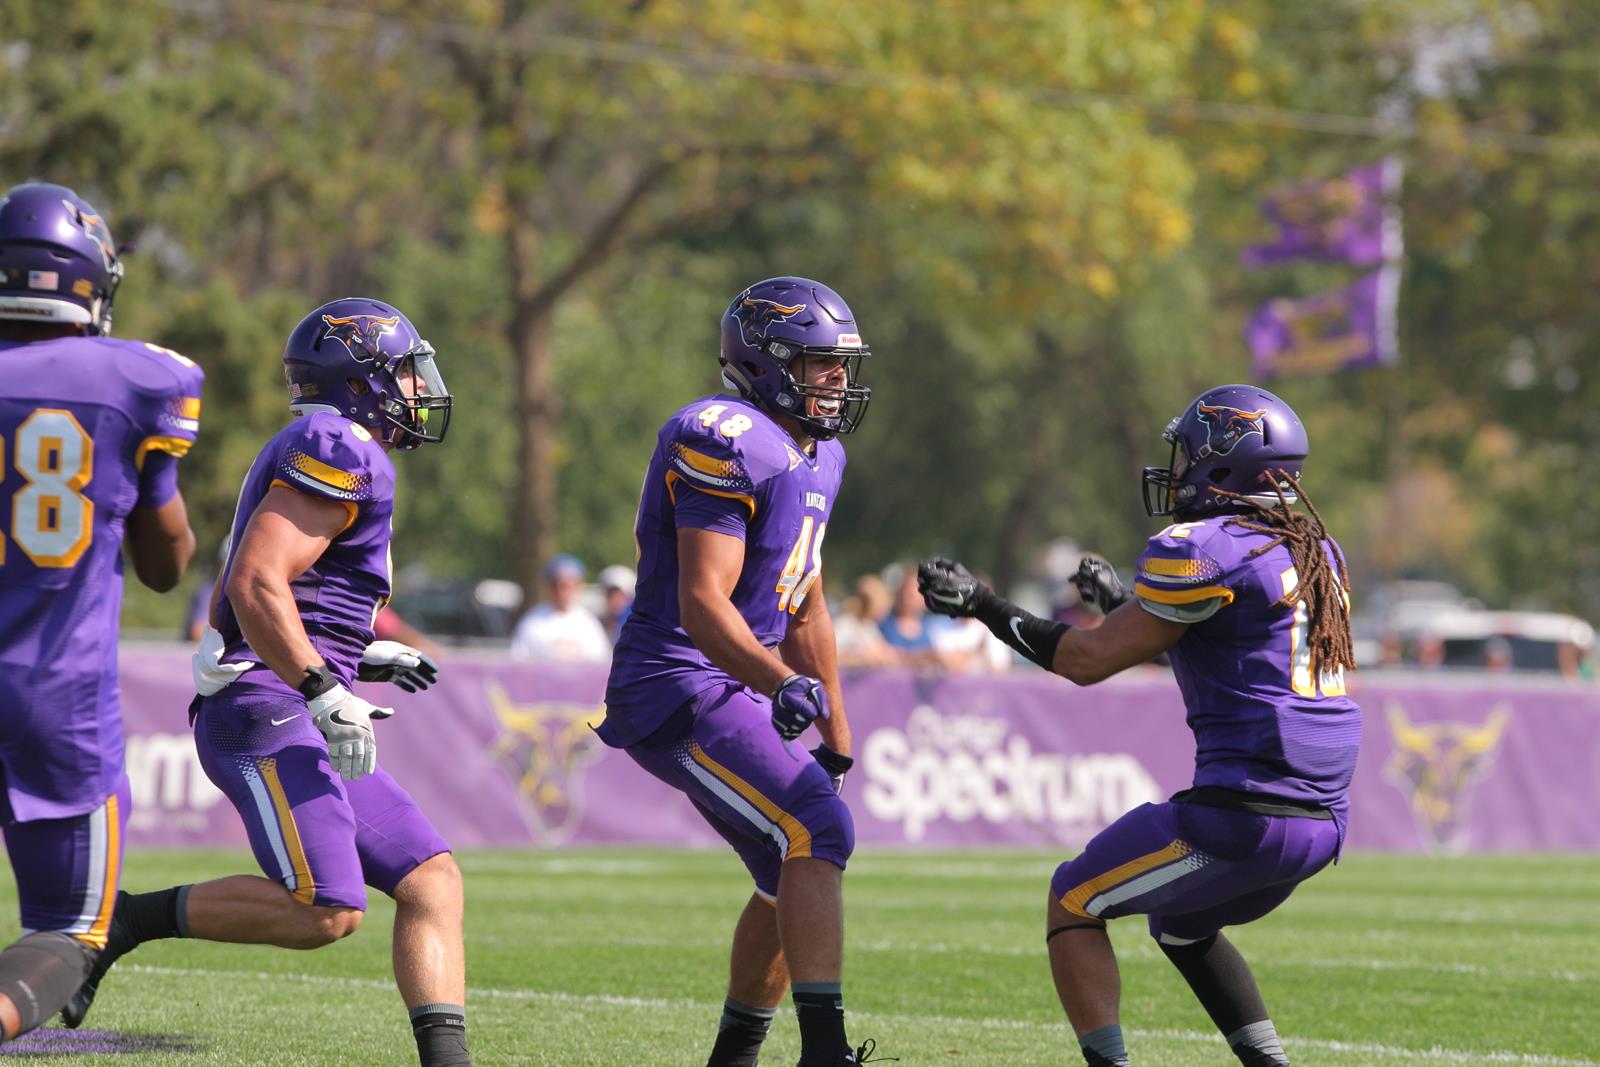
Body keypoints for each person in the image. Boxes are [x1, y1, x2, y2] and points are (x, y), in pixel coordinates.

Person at [62, 298, 471, 1067]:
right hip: (268, 706)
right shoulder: (338, 442)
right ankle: (121, 921)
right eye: (407, 375)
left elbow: (284, 587)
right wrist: (322, 684)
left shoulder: (336, 444)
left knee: (431, 878)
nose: (421, 392)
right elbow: (256, 579)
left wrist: (356, 656)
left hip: (285, 692)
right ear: (363, 380)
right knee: (327, 909)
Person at [919, 384, 1360, 1067]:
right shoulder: (1315, 552)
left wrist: (982, 602)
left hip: (1243, 812)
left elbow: (1088, 659)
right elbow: (1225, 641)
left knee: (1073, 897)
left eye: (1187, 454)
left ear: (1223, 462)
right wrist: (1127, 603)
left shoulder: (1204, 544)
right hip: (1323, 823)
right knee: (1182, 924)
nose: (1177, 469)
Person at [601, 277, 879, 1067]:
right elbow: (701, 602)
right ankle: (823, 1050)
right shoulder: (726, 435)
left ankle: (735, 1057)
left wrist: (837, 721)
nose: (837, 379)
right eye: (821, 363)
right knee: (819, 828)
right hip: (675, 680)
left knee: (783, 860)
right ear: (766, 362)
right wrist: (776, 682)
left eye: (842, 365)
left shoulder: (822, 454)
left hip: (731, 680)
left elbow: (807, 598)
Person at [0, 183, 202, 1043]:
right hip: (56, 695)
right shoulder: (140, 380)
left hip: (55, 693)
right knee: (72, 929)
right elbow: (167, 565)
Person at [509, 553, 612, 663]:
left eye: (566, 586)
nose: (561, 592)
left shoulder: (589, 624)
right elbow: (517, 662)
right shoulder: (531, 623)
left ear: (578, 585)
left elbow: (601, 662)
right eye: (555, 585)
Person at [598, 563, 637, 645]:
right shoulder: (597, 623)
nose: (615, 599)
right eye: (610, 594)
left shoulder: (635, 626)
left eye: (619, 595)